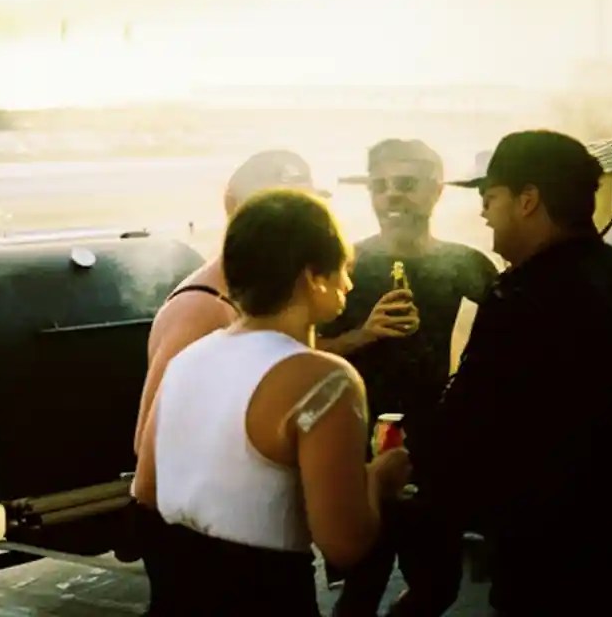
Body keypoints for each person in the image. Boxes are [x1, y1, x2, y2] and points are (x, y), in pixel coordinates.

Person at [144, 188, 413, 615]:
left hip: (174, 598)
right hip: (264, 598)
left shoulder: (188, 359)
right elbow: (345, 545)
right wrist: (378, 478)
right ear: (312, 276)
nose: (349, 283)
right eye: (343, 268)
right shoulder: (325, 381)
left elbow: (147, 488)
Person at [417, 130, 612, 616]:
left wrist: (408, 464)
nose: (484, 212)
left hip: (549, 555)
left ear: (528, 200)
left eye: (491, 198)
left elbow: (471, 422)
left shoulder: (520, 298)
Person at [128, 150, 322, 607]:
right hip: (208, 553)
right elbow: (150, 447)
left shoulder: (257, 305)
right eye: (270, 211)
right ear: (232, 208)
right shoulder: (206, 307)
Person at [318, 139, 498, 616]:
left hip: (435, 453)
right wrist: (364, 334)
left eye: (406, 185)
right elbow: (301, 353)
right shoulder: (344, 266)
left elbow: (502, 348)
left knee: (438, 586)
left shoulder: (467, 265)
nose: (391, 196)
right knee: (360, 587)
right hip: (356, 448)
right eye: (380, 186)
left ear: (436, 191)